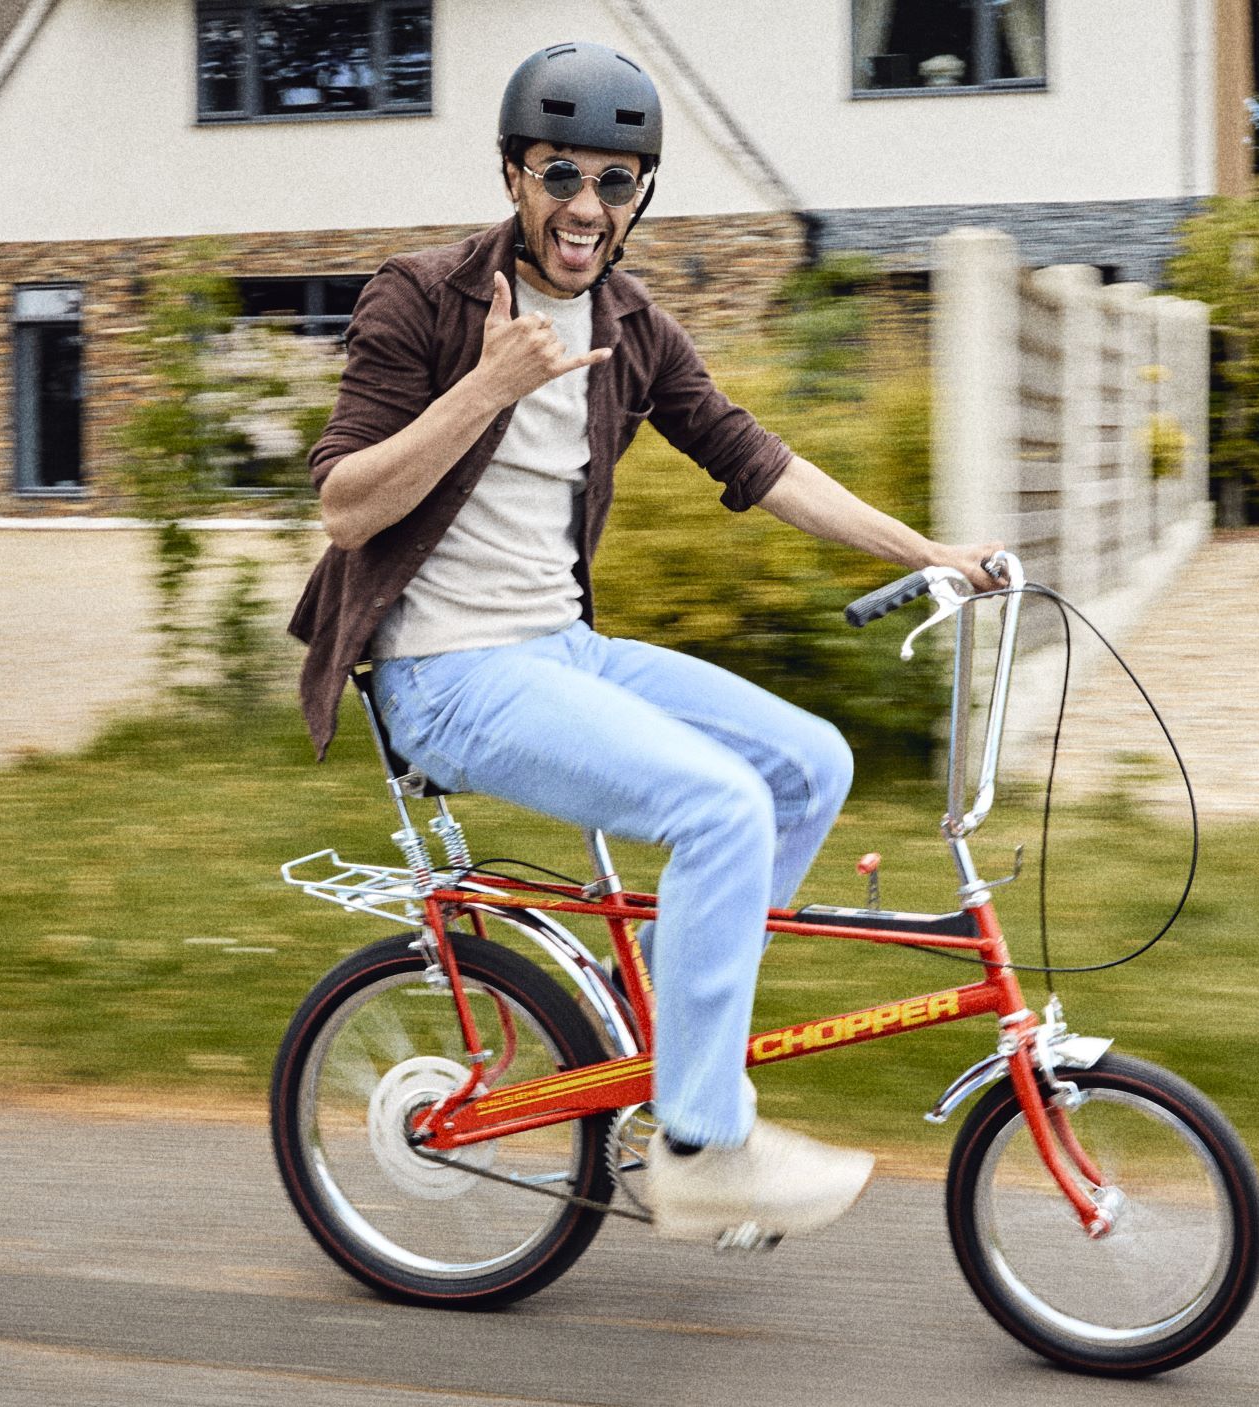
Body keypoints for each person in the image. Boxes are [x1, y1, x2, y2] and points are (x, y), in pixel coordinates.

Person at [287, 41, 1001, 1245]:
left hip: (559, 650)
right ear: (513, 175)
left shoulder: (629, 323)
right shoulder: (421, 298)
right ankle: (701, 1143)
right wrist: (487, 386)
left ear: (640, 196)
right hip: (444, 674)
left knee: (807, 766)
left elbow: (757, 461)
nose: (585, 206)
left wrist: (927, 551)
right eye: (560, 174)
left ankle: (663, 1039)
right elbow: (346, 507)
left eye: (614, 183)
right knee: (720, 808)